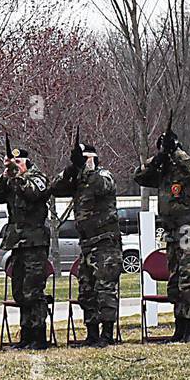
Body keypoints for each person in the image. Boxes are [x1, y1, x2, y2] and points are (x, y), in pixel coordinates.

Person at [134, 118, 190, 342]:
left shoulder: (187, 166)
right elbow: (140, 176)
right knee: (175, 282)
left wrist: (176, 152)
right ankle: (180, 328)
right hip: (173, 232)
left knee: (188, 280)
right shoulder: (163, 170)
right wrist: (158, 158)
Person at [53, 138, 120, 347]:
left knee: (105, 289)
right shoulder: (78, 180)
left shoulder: (102, 175)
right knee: (87, 290)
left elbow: (104, 186)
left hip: (105, 243)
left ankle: (107, 334)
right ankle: (92, 333)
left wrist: (88, 168)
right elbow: (55, 188)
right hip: (87, 244)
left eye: (85, 158)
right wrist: (70, 169)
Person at [0, 144, 53, 350]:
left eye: (19, 162)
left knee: (33, 291)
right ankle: (26, 335)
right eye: (13, 163)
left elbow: (34, 193)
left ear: (27, 162)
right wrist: (5, 174)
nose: (15, 166)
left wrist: (17, 176)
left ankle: (39, 336)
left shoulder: (37, 177)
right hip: (17, 244)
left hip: (35, 243)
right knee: (20, 291)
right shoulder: (10, 179)